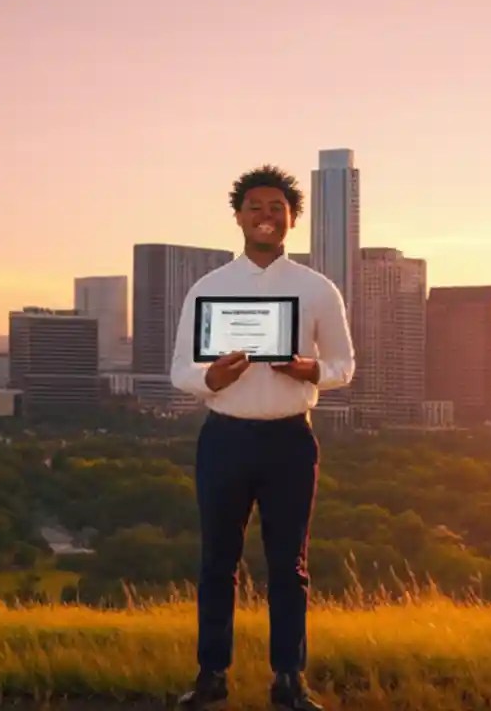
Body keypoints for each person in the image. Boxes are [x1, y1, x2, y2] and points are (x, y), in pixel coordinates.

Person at [170, 165, 354, 710]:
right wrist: (210, 379)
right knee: (216, 563)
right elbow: (180, 369)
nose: (266, 217)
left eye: (277, 208)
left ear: (292, 218)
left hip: (290, 442)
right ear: (239, 217)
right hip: (224, 439)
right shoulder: (210, 288)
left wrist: (310, 371)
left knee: (288, 567)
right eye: (256, 208)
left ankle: (289, 680)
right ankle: (211, 676)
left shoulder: (316, 289)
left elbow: (344, 364)